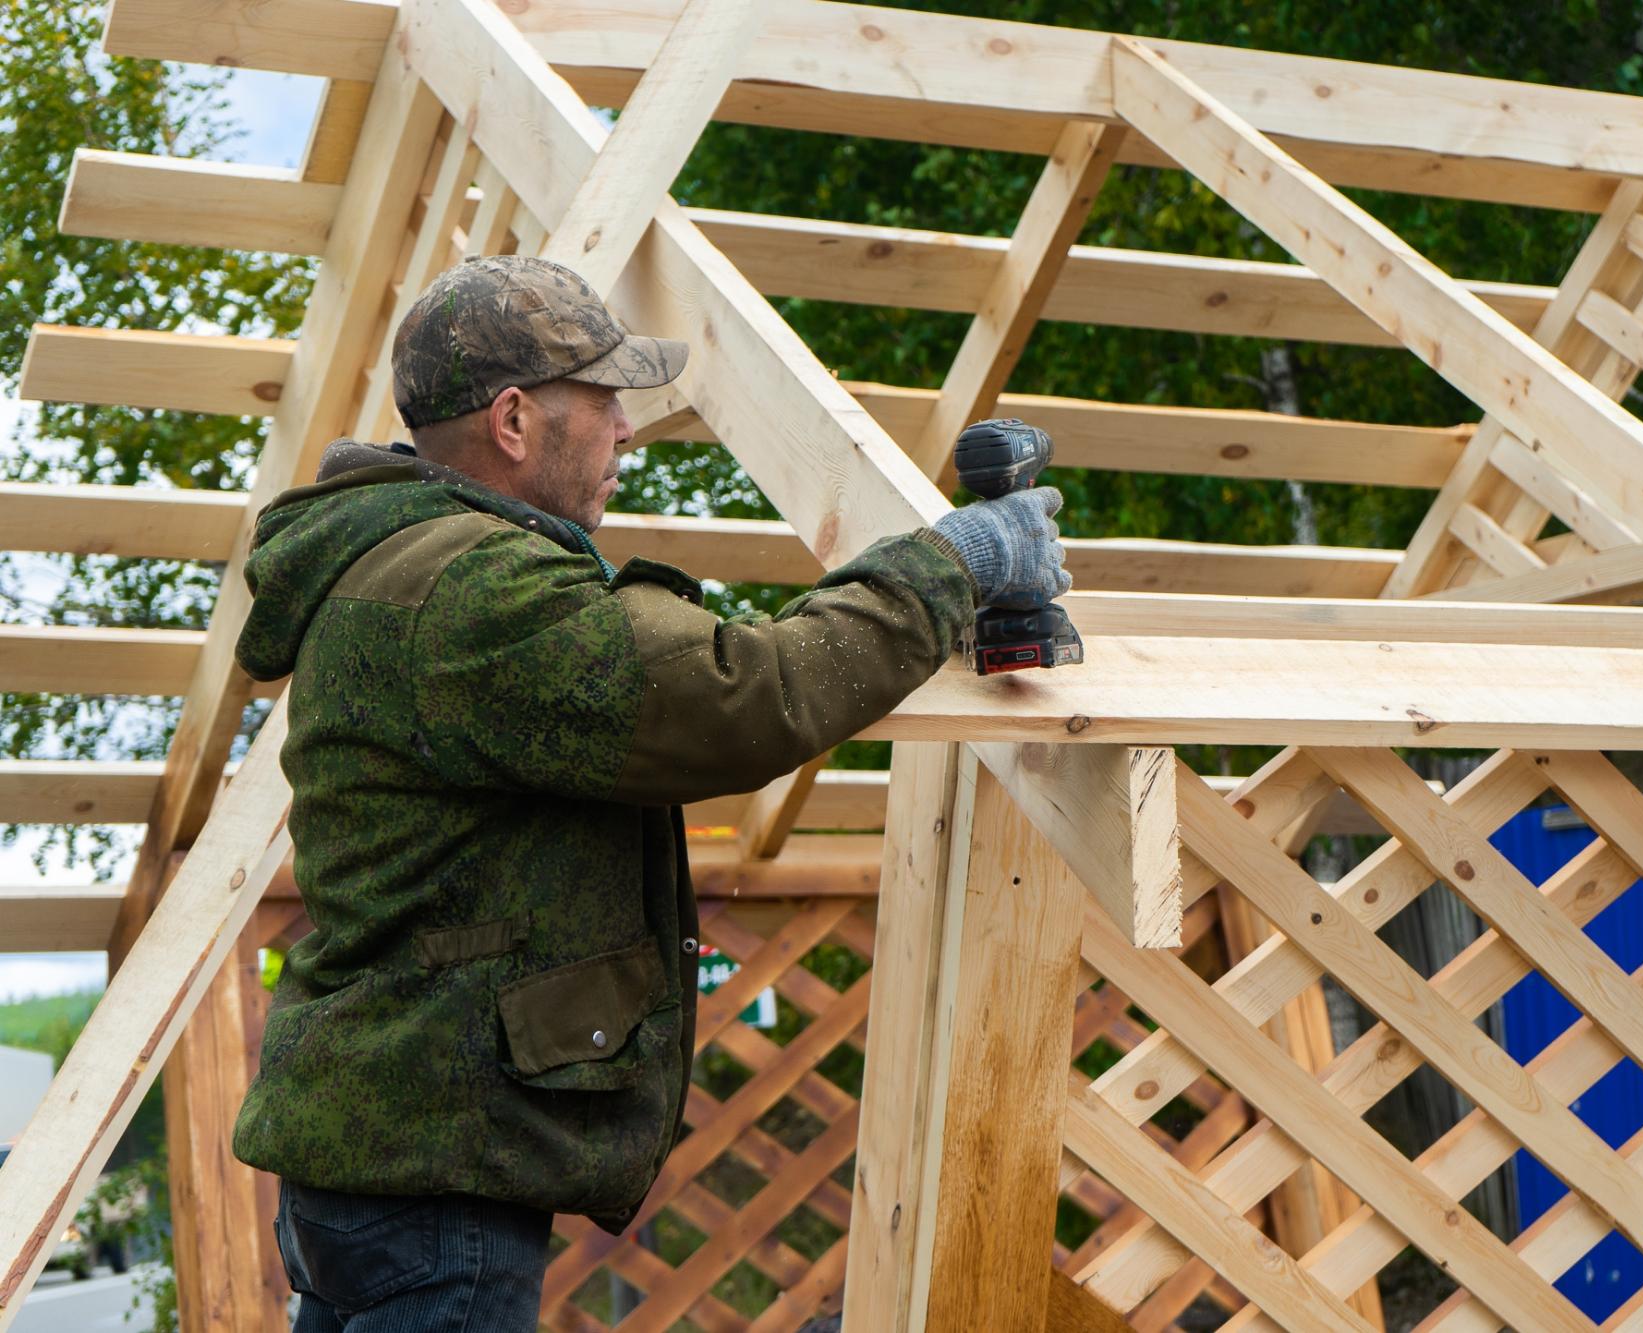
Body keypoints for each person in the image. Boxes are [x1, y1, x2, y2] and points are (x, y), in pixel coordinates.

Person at [230, 255, 1068, 1330]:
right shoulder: (471, 587)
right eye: (605, 397)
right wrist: (955, 562)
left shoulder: (400, 563)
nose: (629, 427)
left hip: (385, 1149)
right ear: (517, 418)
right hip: (438, 1171)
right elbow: (737, 697)